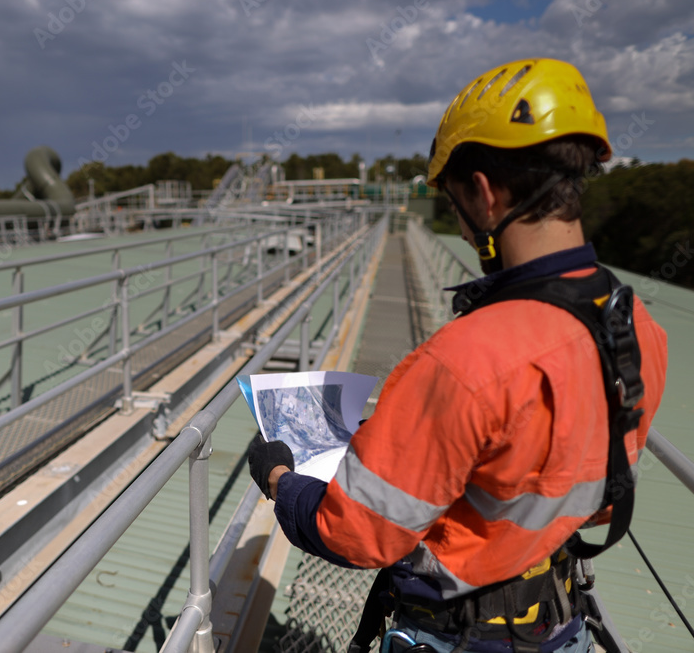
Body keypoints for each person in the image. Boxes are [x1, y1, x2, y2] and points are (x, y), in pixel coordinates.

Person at [248, 57, 669, 653]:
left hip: (458, 636)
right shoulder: (635, 326)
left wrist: (278, 477)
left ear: (483, 192)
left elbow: (356, 534)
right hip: (560, 626)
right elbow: (590, 498)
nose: (463, 230)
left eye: (453, 203)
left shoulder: (463, 360)